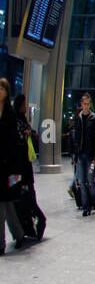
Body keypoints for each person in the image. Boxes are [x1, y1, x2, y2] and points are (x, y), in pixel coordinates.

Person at [0, 79, 29, 253]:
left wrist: (16, 170)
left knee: (5, 205)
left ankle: (5, 241)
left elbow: (13, 142)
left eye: (2, 88)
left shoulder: (10, 113)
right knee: (6, 205)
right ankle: (17, 234)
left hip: (8, 165)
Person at [13, 94, 45, 240]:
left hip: (25, 163)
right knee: (21, 194)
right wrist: (25, 134)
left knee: (29, 192)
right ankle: (26, 223)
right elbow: (15, 137)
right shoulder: (14, 119)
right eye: (24, 104)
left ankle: (32, 219)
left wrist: (31, 133)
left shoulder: (23, 120)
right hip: (17, 164)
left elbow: (31, 132)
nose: (25, 107)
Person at [71, 93, 95, 216]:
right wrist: (75, 156)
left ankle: (94, 201)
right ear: (81, 104)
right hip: (81, 155)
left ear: (90, 104)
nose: (86, 106)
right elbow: (76, 138)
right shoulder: (79, 119)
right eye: (84, 104)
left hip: (90, 155)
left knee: (90, 181)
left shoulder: (93, 119)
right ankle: (85, 207)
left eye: (88, 104)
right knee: (82, 182)